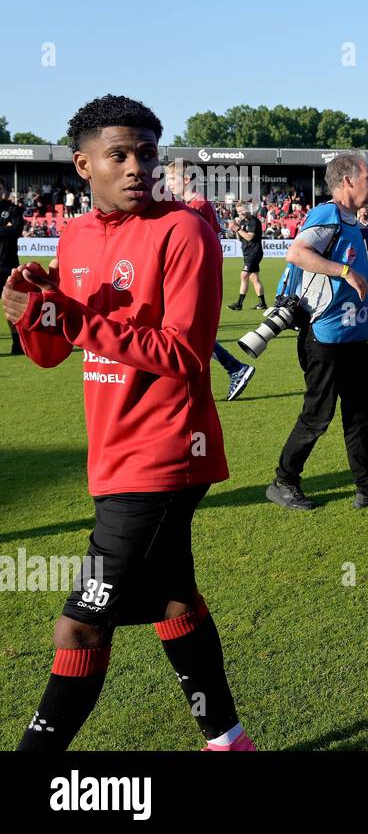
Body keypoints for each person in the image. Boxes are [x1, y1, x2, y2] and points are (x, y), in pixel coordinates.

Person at [3, 94, 253, 750]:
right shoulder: (76, 236)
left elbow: (184, 353)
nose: (137, 166)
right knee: (173, 601)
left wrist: (76, 318)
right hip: (111, 455)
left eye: (147, 153)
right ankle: (228, 741)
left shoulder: (185, 231)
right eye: (120, 155)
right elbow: (53, 353)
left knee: (80, 625)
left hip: (167, 452)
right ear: (84, 165)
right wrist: (30, 311)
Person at [266, 151, 368, 511]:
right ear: (348, 181)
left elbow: (351, 282)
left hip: (354, 337)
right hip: (326, 338)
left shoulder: (351, 222)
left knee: (360, 414)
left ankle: (367, 487)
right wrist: (347, 272)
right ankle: (283, 481)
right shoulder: (327, 214)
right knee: (317, 416)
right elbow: (296, 253)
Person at [164, 160, 256, 401]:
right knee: (188, 332)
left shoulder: (196, 206)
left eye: (171, 179)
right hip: (198, 277)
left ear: (186, 180)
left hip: (197, 278)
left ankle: (233, 368)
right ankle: (230, 369)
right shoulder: (195, 204)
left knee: (188, 332)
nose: (168, 184)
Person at [227, 201, 266, 311]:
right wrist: (235, 229)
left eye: (242, 210)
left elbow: (249, 237)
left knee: (244, 275)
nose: (241, 213)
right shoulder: (243, 221)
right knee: (254, 278)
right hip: (248, 252)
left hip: (254, 252)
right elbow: (240, 239)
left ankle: (239, 303)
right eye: (239, 211)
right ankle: (262, 303)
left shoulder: (253, 221)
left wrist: (237, 228)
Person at [0, 184, 21, 354]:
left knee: (11, 308)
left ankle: (17, 344)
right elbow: (9, 230)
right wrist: (5, 228)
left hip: (9, 266)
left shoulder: (13, 209)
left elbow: (16, 230)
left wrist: (10, 228)